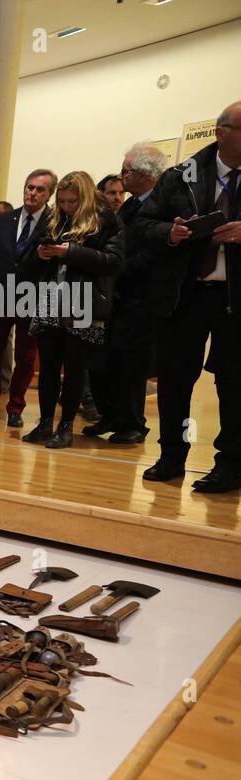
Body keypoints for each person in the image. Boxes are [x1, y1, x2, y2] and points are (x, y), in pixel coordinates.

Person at [141, 101, 241, 493]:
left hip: (235, 298)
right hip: (185, 294)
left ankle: (230, 464)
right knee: (175, 380)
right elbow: (142, 225)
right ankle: (171, 457)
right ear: (222, 133)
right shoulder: (180, 176)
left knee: (233, 384)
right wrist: (171, 231)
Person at [20, 171, 123, 450]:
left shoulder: (105, 221)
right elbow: (27, 259)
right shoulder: (54, 218)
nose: (66, 207)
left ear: (85, 198)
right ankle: (44, 422)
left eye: (72, 201)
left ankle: (66, 425)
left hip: (83, 302)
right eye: (62, 201)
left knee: (75, 367)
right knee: (49, 366)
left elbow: (113, 261)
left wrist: (70, 252)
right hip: (50, 299)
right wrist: (40, 255)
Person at [0, 169, 55, 428]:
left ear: (49, 194)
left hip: (34, 297)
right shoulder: (5, 220)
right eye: (29, 187)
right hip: (0, 293)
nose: (32, 193)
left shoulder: (54, 222)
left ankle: (15, 407)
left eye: (40, 189)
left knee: (26, 357)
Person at [99, 142, 171, 445]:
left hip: (143, 296)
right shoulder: (129, 205)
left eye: (126, 170)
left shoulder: (165, 206)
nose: (121, 176)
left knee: (133, 364)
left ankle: (133, 423)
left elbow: (155, 254)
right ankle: (113, 416)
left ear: (144, 174)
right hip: (120, 295)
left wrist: (117, 274)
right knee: (111, 358)